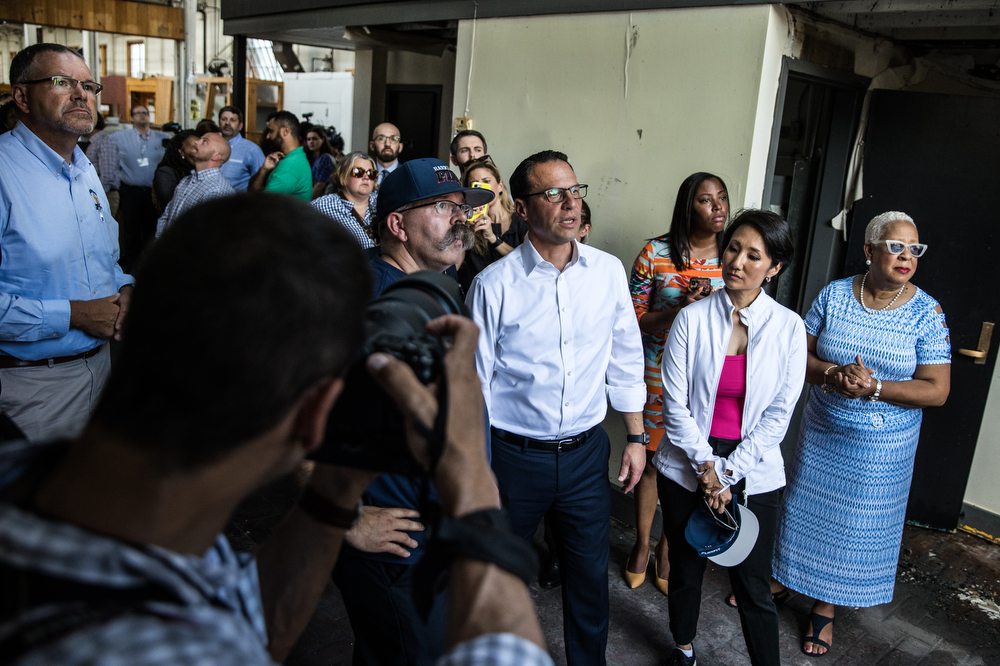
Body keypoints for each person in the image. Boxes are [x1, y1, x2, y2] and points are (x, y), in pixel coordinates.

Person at [0, 192, 553, 666]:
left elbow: (250, 621)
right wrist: (474, 491)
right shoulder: (173, 649)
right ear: (316, 418)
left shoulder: (74, 494)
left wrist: (335, 492)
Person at [467, 150, 646, 666]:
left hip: (587, 456)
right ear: (521, 208)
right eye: (552, 194)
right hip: (512, 458)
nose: (570, 203)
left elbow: (625, 358)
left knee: (589, 581)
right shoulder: (494, 285)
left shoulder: (607, 273)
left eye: (574, 191)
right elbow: (474, 384)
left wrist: (635, 438)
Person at [331, 158, 494, 666]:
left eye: (462, 207)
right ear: (397, 224)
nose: (460, 218)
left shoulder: (428, 287)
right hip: (396, 546)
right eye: (444, 207)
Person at [772, 211, 951, 657]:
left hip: (880, 448)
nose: (907, 256)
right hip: (822, 431)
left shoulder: (927, 313)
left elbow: (937, 390)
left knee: (850, 528)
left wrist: (876, 387)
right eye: (896, 246)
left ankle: (824, 607)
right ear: (869, 250)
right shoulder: (834, 294)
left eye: (915, 249)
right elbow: (799, 355)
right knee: (801, 509)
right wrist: (833, 374)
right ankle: (779, 580)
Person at [654, 209, 804, 666]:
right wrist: (707, 468)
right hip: (687, 463)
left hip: (753, 469)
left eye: (753, 255)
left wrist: (728, 473)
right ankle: (683, 646)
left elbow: (779, 414)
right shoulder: (692, 319)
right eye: (733, 248)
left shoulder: (789, 328)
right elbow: (673, 404)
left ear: (774, 268)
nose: (737, 261)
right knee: (686, 569)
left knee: (752, 583)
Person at [0, 43, 133, 442]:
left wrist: (124, 287)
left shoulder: (83, 168)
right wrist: (73, 315)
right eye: (62, 82)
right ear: (21, 96)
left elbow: (106, 260)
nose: (81, 94)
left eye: (89, 86)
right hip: (32, 390)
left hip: (101, 369)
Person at [626, 173, 730, 595]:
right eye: (706, 201)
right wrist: (678, 310)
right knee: (652, 462)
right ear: (689, 208)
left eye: (722, 199)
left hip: (709, 381)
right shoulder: (656, 252)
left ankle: (669, 549)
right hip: (658, 374)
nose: (718, 207)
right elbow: (630, 321)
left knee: (689, 464)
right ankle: (641, 544)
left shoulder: (735, 256)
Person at [456, 156, 528, 293]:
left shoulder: (521, 218)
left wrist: (493, 239)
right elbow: (455, 265)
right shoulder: (468, 222)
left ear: (500, 185)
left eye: (486, 181)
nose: (482, 188)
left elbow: (527, 261)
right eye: (475, 184)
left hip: (517, 292)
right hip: (478, 294)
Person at [111, 104, 170, 272]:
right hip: (131, 192)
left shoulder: (163, 138)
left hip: (154, 192)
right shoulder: (118, 138)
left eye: (145, 113)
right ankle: (130, 269)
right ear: (131, 118)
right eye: (138, 114)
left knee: (153, 229)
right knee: (132, 230)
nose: (142, 116)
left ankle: (151, 267)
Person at [155, 132, 233, 238]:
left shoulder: (216, 190)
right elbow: (167, 216)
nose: (196, 142)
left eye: (204, 142)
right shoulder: (186, 180)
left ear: (216, 156)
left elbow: (204, 238)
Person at [310, 150, 379, 249]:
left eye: (371, 173)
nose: (366, 177)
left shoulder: (382, 201)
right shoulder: (322, 205)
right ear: (343, 176)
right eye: (358, 172)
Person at [249, 110, 311, 201]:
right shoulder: (290, 158)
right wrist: (263, 170)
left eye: (271, 131)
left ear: (285, 131)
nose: (268, 136)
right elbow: (253, 192)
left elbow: (260, 204)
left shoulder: (290, 166)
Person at [218, 105, 265, 192]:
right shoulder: (213, 146)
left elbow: (261, 182)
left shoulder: (252, 150)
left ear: (240, 125)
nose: (227, 123)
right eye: (224, 119)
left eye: (233, 120)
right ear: (219, 123)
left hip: (238, 203)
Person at [83, 112, 122, 217]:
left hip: (105, 194)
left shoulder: (104, 142)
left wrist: (97, 197)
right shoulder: (95, 142)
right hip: (98, 194)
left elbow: (107, 176)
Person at [152, 129, 197, 212]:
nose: (198, 152)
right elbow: (171, 202)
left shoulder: (195, 169)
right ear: (181, 152)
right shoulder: (165, 172)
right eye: (193, 148)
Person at [304, 125, 339, 199]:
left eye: (314, 139)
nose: (311, 142)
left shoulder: (325, 158)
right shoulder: (314, 158)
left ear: (322, 140)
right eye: (309, 139)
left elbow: (321, 184)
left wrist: (307, 201)